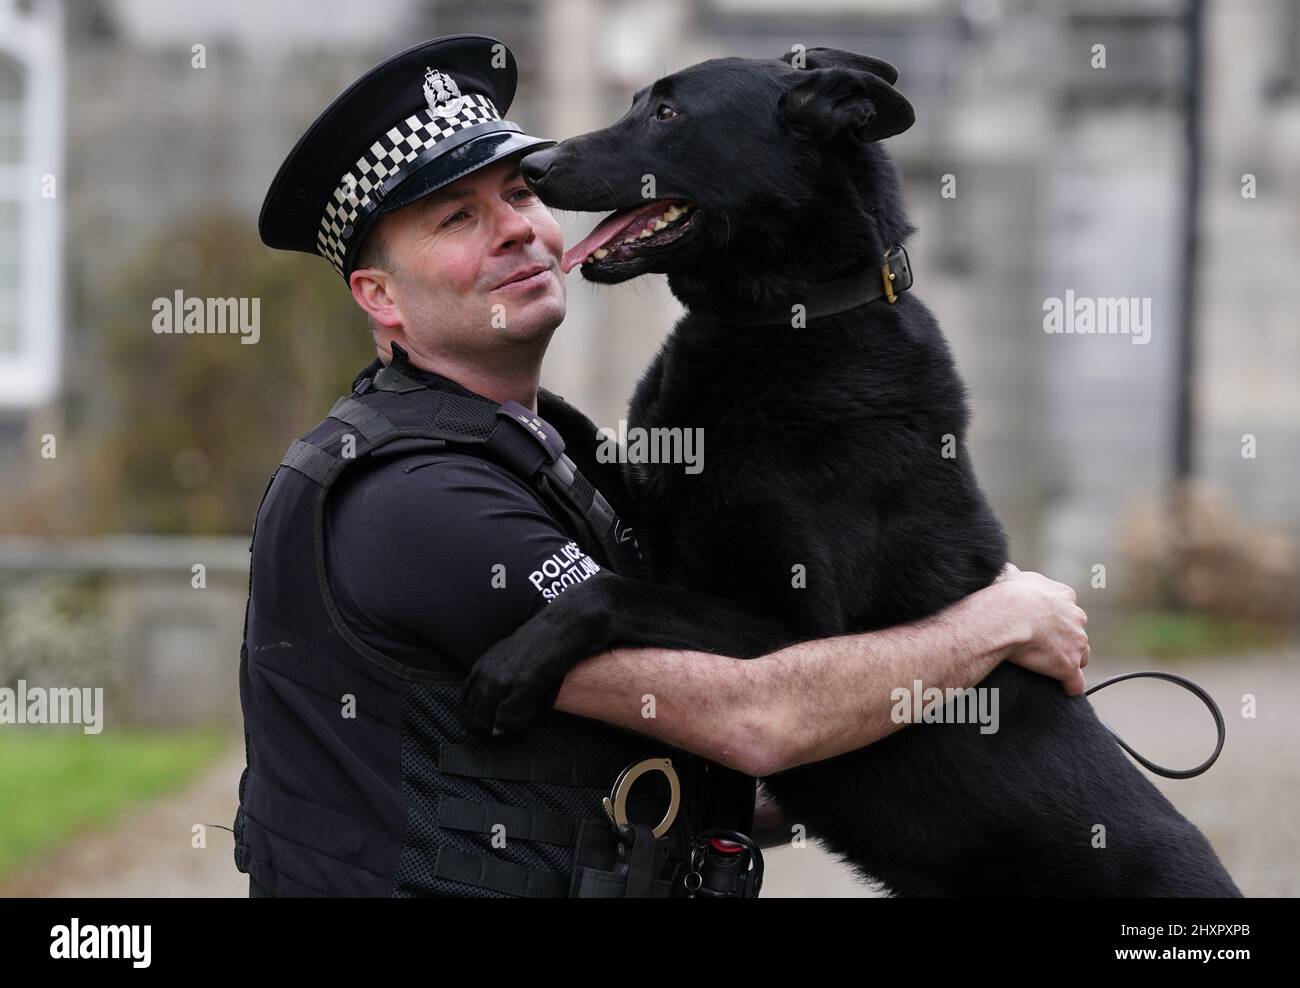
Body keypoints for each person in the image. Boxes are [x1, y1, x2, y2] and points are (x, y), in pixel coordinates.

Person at [235, 35, 1089, 898]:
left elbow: (703, 735)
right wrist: (1002, 622)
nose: (518, 230)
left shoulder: (545, 452)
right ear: (380, 297)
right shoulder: (418, 499)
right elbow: (756, 718)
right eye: (458, 218)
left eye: (521, 193)